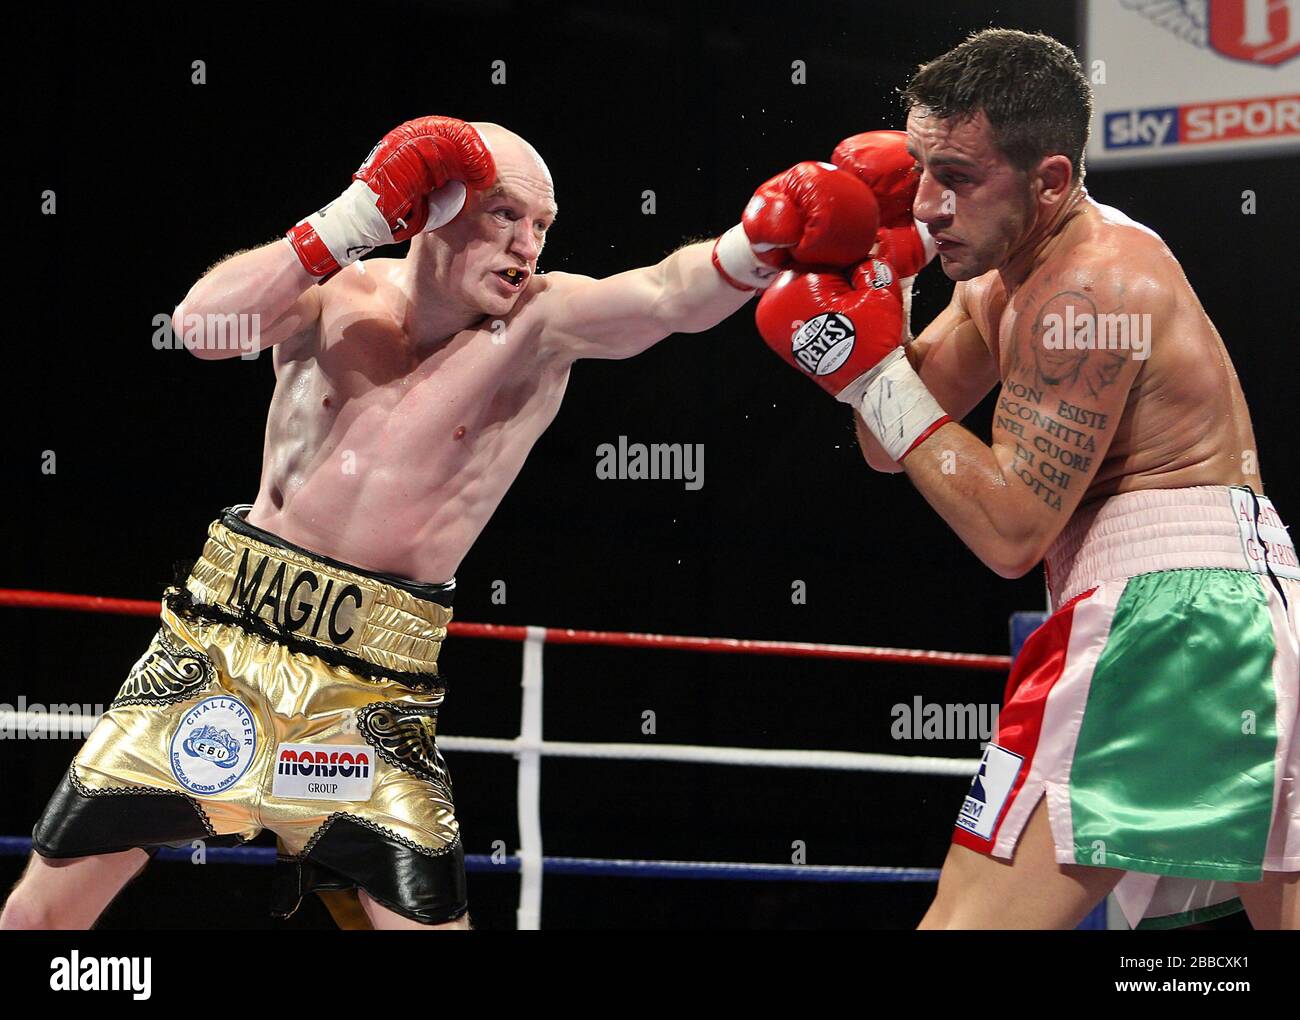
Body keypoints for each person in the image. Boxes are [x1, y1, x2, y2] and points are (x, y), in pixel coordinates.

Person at [2, 117, 883, 930]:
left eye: (541, 225)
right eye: (505, 215)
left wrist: (757, 243)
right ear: (435, 207)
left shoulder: (539, 325)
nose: (527, 245)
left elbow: (662, 298)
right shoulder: (332, 293)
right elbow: (198, 328)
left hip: (370, 692)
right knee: (36, 920)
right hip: (219, 651)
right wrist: (350, 217)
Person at [753, 29, 1299, 929]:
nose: (927, 203)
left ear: (1050, 179)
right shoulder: (1004, 280)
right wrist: (881, 279)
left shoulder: (1088, 293)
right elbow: (893, 445)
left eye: (958, 178)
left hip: (1165, 625)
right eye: (920, 169)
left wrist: (866, 371)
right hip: (1217, 616)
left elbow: (1009, 532)